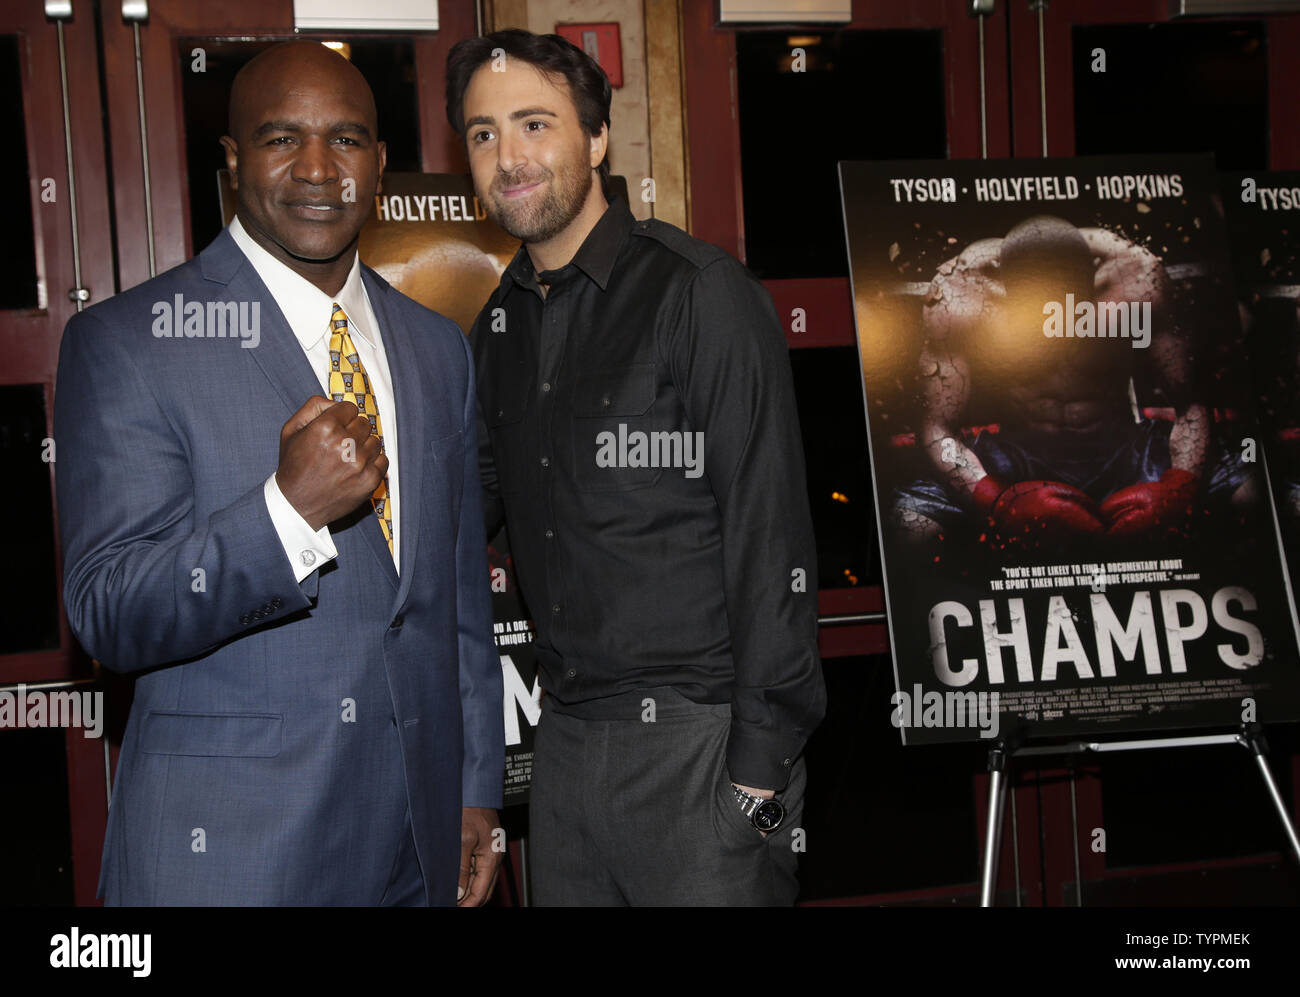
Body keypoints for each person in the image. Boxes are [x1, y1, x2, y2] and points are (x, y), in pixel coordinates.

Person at [55, 41, 503, 906]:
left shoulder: (436, 348)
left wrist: (473, 783)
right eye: (278, 138)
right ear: (231, 163)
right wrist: (283, 514)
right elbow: (109, 611)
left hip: (416, 844)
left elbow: (454, 602)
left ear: (378, 164)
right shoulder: (130, 343)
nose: (315, 167)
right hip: (233, 857)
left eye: (345, 139)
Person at [445, 29, 825, 906]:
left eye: (535, 124)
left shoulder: (698, 293)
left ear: (597, 138)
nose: (509, 157)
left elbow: (771, 535)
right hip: (565, 750)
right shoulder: (498, 327)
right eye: (484, 133)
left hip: (705, 749)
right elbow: (460, 518)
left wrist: (758, 775)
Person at [892, 214, 1254, 552]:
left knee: (1253, 496)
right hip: (1018, 454)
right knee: (913, 524)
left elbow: (1191, 405)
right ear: (1008, 285)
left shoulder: (1135, 282)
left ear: (1092, 276)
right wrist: (992, 498)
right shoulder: (963, 296)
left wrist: (1181, 487)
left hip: (1123, 447)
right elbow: (937, 426)